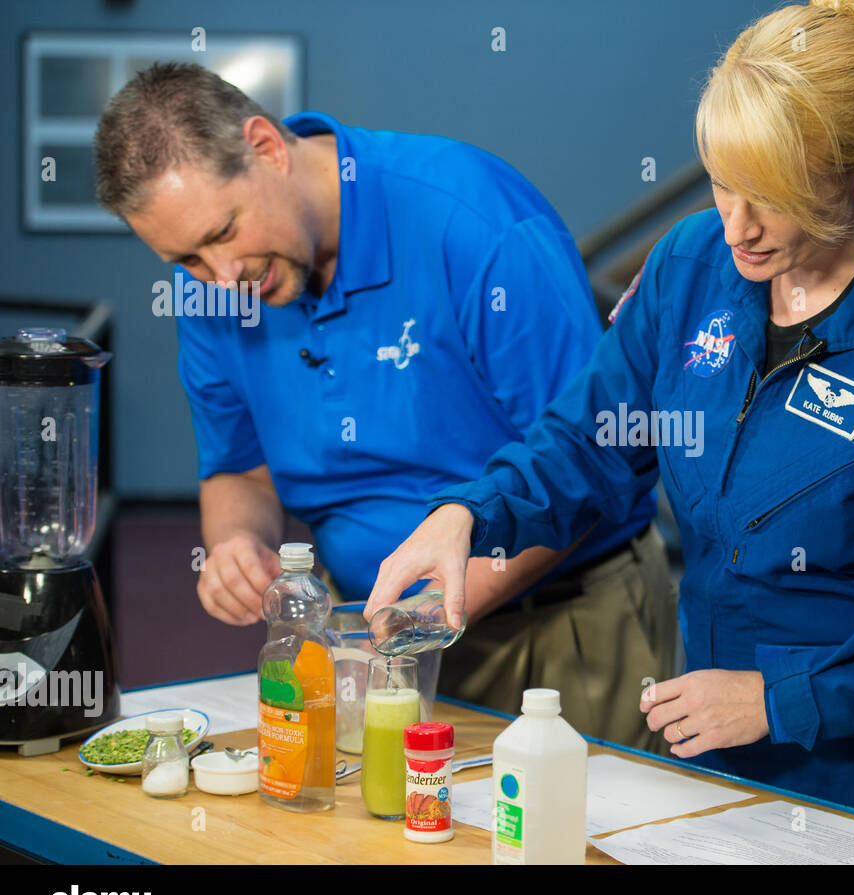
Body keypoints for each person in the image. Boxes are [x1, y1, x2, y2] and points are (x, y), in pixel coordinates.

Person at [366, 0, 854, 840]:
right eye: (722, 181)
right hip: (709, 765)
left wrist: (781, 697)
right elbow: (593, 439)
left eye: (774, 196)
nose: (737, 225)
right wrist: (472, 512)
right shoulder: (691, 263)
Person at [92, 63, 678, 751]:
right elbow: (239, 466)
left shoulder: (471, 222)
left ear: (267, 148)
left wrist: (421, 617)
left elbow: (599, 456)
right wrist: (234, 546)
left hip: (561, 624)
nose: (220, 280)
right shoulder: (216, 287)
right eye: (185, 259)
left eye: (223, 233)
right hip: (373, 634)